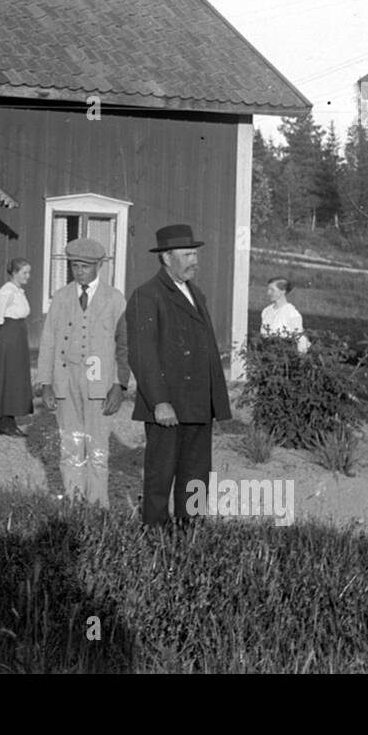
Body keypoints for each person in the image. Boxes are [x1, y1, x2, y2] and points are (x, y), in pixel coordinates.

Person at [126, 224, 231, 527]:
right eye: (187, 255)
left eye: (194, 254)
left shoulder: (196, 293)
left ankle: (190, 533)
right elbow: (142, 354)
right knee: (160, 476)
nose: (194, 261)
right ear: (166, 258)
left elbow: (207, 349)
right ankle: (155, 536)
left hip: (198, 404)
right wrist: (160, 401)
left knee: (196, 475)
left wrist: (215, 402)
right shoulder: (147, 295)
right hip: (168, 406)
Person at [35, 238, 129, 508]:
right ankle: (74, 504)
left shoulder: (114, 298)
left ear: (99, 266)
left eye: (85, 266)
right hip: (66, 381)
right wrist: (46, 382)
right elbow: (49, 340)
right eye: (74, 266)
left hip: (100, 383)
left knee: (98, 448)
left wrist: (119, 385)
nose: (79, 271)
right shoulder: (61, 297)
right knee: (71, 446)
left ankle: (98, 506)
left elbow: (124, 345)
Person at [0, 257, 35, 437]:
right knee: (9, 377)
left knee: (16, 378)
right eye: (24, 272)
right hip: (8, 339)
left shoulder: (18, 291)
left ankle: (8, 421)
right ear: (14, 273)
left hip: (18, 337)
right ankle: (6, 423)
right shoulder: (6, 292)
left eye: (29, 272)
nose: (28, 276)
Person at [260, 277, 310, 353]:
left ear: (282, 291)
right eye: (268, 289)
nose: (268, 293)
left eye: (272, 290)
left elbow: (301, 339)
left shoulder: (292, 313)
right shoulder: (266, 311)